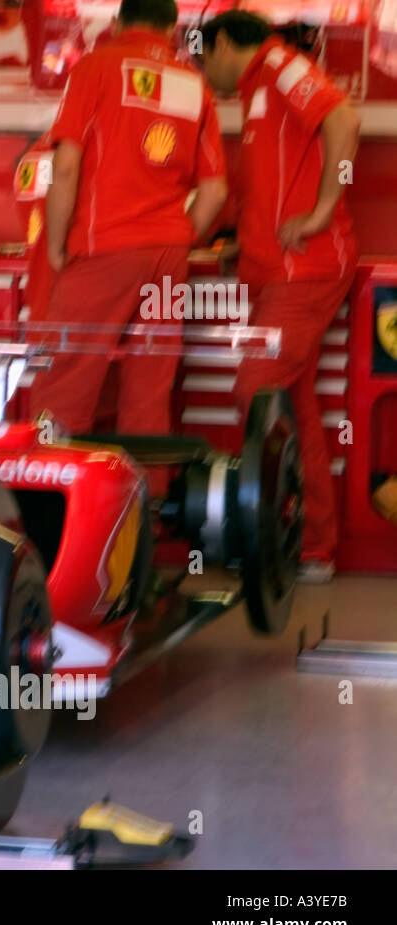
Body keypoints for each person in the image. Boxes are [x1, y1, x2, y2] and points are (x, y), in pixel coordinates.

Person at [196, 10, 360, 583]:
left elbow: (345, 120)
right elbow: (275, 178)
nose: (204, 69)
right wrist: (242, 241)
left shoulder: (281, 65)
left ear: (220, 42)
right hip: (275, 273)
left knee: (256, 391)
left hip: (306, 270)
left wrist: (320, 211)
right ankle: (312, 545)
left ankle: (266, 535)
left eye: (203, 55)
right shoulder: (257, 87)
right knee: (294, 408)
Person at [31, 0, 227, 464]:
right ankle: (148, 512)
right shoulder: (193, 83)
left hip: (104, 249)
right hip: (167, 258)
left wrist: (56, 245)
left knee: (66, 379)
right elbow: (216, 191)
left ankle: (53, 506)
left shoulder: (95, 68)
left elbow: (67, 164)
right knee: (150, 383)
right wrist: (177, 236)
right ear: (172, 28)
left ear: (117, 24)